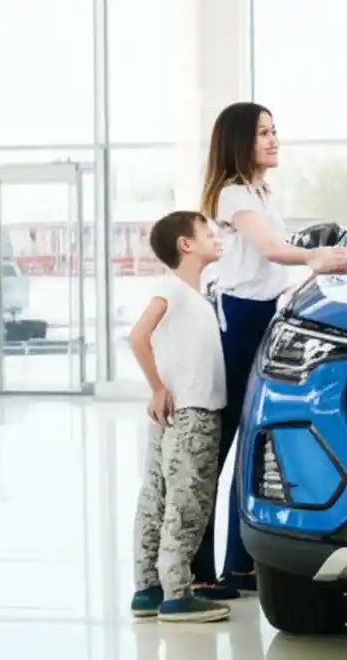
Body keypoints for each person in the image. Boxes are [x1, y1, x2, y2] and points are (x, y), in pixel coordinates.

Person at [190, 101, 347, 598]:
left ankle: (242, 566)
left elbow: (273, 266)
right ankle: (197, 569)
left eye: (275, 130)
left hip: (261, 315)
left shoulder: (258, 191)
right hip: (239, 319)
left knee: (254, 440)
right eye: (263, 132)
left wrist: (311, 262)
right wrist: (320, 257)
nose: (274, 139)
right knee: (218, 447)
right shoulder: (234, 193)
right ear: (240, 140)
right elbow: (271, 251)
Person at [128, 210, 231, 623]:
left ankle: (148, 588)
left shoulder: (192, 294)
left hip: (176, 412)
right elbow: (138, 336)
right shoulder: (172, 290)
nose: (217, 236)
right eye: (209, 232)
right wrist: (156, 387)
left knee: (157, 496)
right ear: (186, 245)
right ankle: (176, 593)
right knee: (188, 500)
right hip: (193, 411)